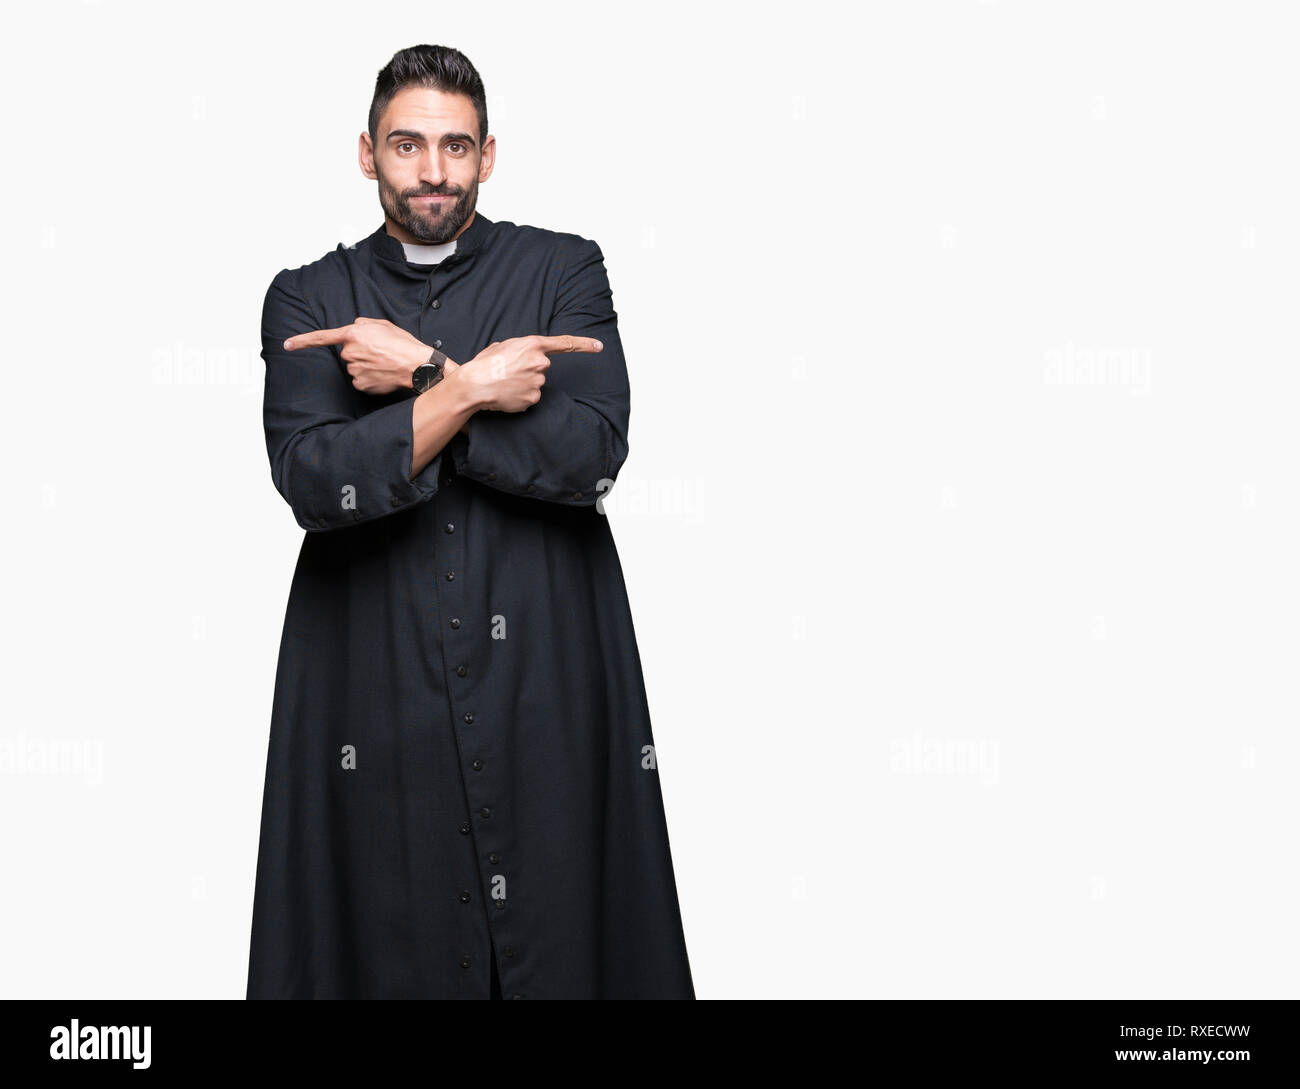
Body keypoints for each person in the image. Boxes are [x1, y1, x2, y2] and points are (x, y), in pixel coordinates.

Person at [245, 43, 695, 1000]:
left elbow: (588, 454)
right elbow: (314, 481)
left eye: (456, 147)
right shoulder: (307, 298)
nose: (433, 172)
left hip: (546, 667)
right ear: (366, 154)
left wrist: (418, 380)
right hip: (369, 677)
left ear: (490, 155)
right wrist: (477, 388)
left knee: (568, 917)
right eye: (407, 146)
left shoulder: (566, 269)